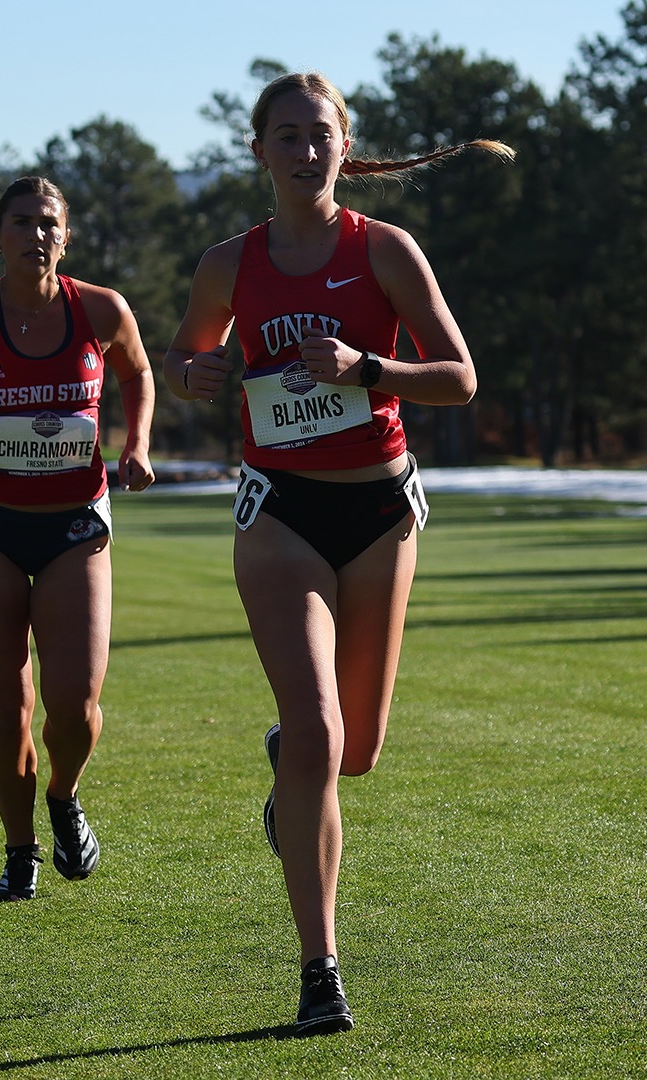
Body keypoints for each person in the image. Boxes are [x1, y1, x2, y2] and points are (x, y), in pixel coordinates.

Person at [162, 71, 509, 1036]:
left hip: (379, 514)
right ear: (258, 149)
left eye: (320, 134)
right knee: (317, 726)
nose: (305, 151)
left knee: (351, 754)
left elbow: (461, 379)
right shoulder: (229, 264)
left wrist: (373, 370)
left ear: (344, 145)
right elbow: (189, 361)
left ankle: (292, 770)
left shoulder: (386, 252)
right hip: (280, 514)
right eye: (287, 136)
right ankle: (321, 972)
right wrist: (198, 373)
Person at [0, 176, 155, 903]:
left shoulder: (101, 309)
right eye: (20, 223)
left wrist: (135, 441)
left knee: (76, 701)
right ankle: (19, 849)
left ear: (65, 236)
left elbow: (139, 370)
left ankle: (64, 795)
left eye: (48, 223)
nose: (35, 235)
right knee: (7, 706)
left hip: (75, 522)